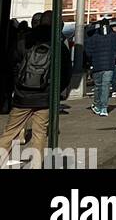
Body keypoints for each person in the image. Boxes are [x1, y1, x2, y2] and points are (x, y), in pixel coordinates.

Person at [0, 10, 72, 168]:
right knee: (39, 134)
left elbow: (11, 62)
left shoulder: (25, 40)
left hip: (22, 95)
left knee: (11, 132)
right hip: (45, 97)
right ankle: (36, 165)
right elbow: (66, 72)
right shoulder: (57, 44)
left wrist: (17, 83)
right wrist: (57, 90)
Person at [84, 17, 116, 117]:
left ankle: (97, 105)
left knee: (98, 86)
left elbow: (87, 52)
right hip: (110, 64)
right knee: (106, 85)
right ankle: (104, 108)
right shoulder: (114, 36)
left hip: (97, 64)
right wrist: (115, 59)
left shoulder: (93, 37)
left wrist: (91, 60)